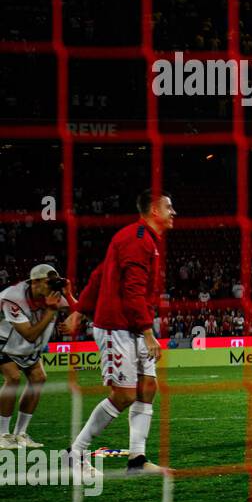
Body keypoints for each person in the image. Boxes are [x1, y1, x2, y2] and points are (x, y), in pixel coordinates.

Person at [64, 191, 176, 477]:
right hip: (118, 326)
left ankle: (137, 460)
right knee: (124, 395)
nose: (174, 212)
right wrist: (148, 332)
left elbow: (100, 274)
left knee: (148, 387)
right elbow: (132, 290)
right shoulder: (137, 239)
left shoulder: (142, 239)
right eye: (169, 207)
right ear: (153, 210)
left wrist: (79, 309)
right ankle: (75, 452)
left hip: (132, 326)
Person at [0, 264, 72, 449]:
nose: (52, 287)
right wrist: (50, 312)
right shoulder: (13, 298)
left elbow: (81, 310)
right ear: (35, 282)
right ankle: (3, 434)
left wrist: (70, 296)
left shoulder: (51, 295)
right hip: (3, 341)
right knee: (13, 378)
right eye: (49, 283)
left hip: (25, 346)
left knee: (39, 378)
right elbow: (29, 334)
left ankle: (20, 434)